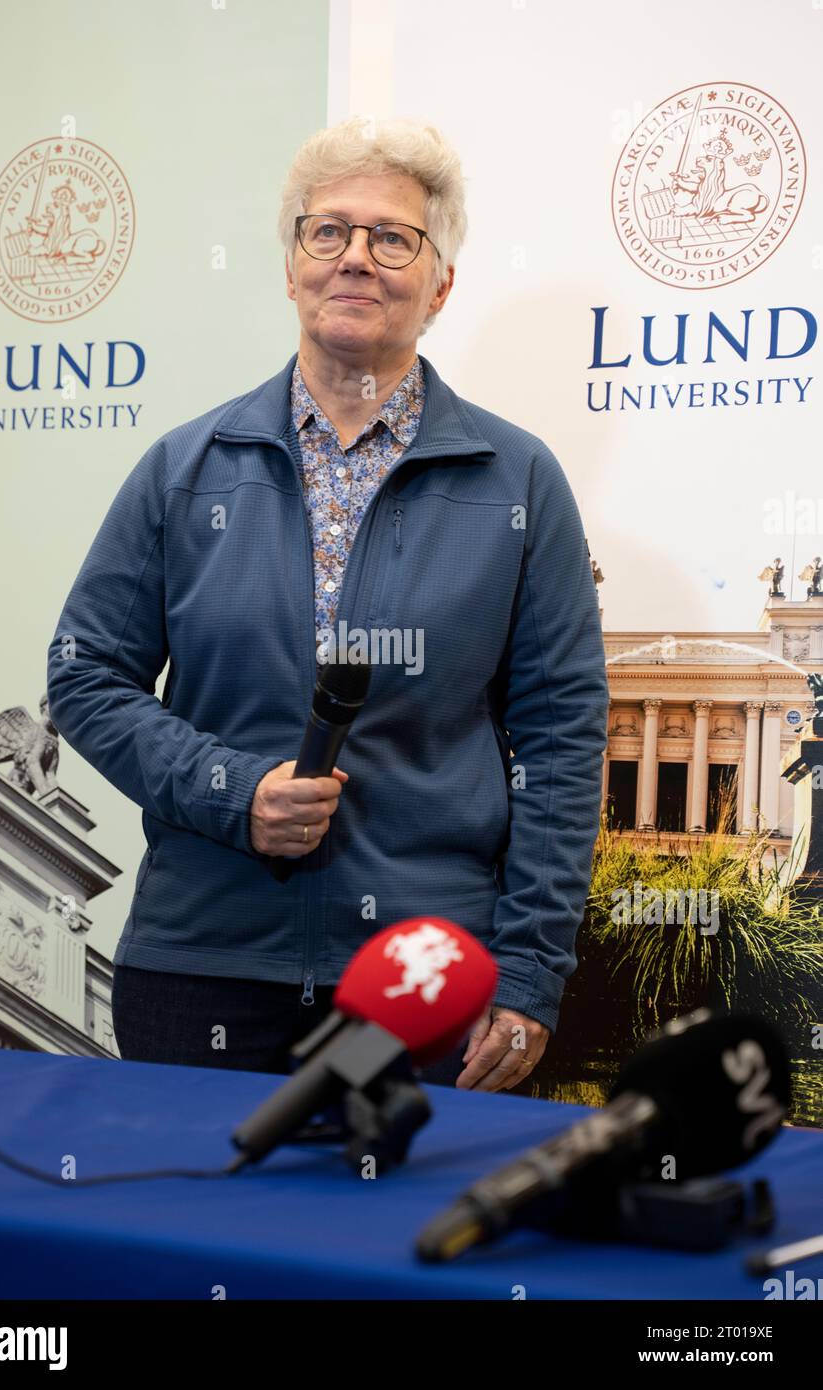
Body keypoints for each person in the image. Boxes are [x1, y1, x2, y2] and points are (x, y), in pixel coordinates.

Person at [46, 116, 609, 1093]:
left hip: (422, 986)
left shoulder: (518, 480)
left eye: (392, 237)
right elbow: (85, 677)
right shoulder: (184, 471)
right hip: (198, 971)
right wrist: (233, 793)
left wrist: (526, 973)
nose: (356, 256)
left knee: (393, 1245)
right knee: (185, 1240)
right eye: (328, 231)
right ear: (292, 263)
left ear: (440, 283)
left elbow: (561, 741)